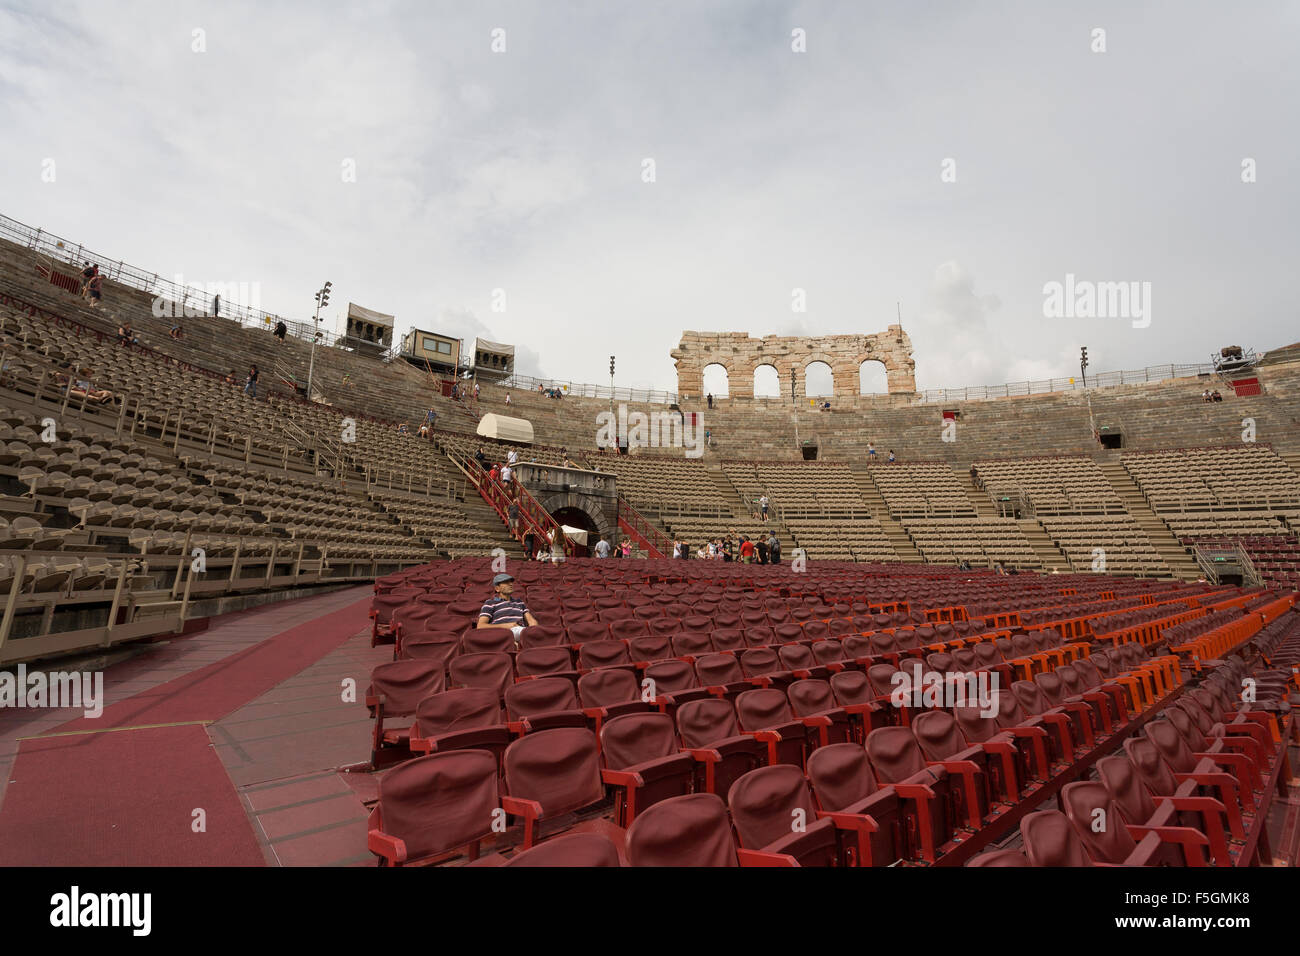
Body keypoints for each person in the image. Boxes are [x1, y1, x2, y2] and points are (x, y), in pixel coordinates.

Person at [476, 573, 538, 644]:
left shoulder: (519, 602)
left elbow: (531, 621)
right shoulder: (490, 603)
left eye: (511, 582)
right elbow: (480, 626)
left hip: (520, 632)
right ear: (497, 588)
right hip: (501, 633)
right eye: (506, 582)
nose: (511, 584)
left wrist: (533, 631)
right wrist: (506, 626)